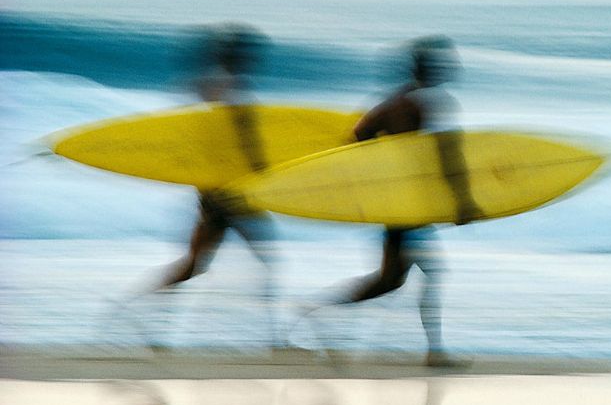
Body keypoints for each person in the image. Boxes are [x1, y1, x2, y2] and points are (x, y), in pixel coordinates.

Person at [305, 35, 482, 366]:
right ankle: (434, 353)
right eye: (441, 65)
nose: (447, 69)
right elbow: (446, 157)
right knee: (429, 273)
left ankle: (319, 312)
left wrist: (376, 183)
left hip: (398, 202)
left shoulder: (393, 101)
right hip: (410, 206)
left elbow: (356, 138)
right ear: (427, 69)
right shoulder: (427, 103)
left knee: (390, 281)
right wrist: (462, 202)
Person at [127, 23, 279, 344]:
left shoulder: (207, 86)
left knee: (194, 266)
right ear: (235, 55)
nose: (251, 58)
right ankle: (273, 339)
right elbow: (240, 143)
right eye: (246, 53)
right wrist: (264, 173)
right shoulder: (229, 89)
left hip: (216, 189)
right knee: (264, 257)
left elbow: (197, 140)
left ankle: (140, 317)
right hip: (229, 192)